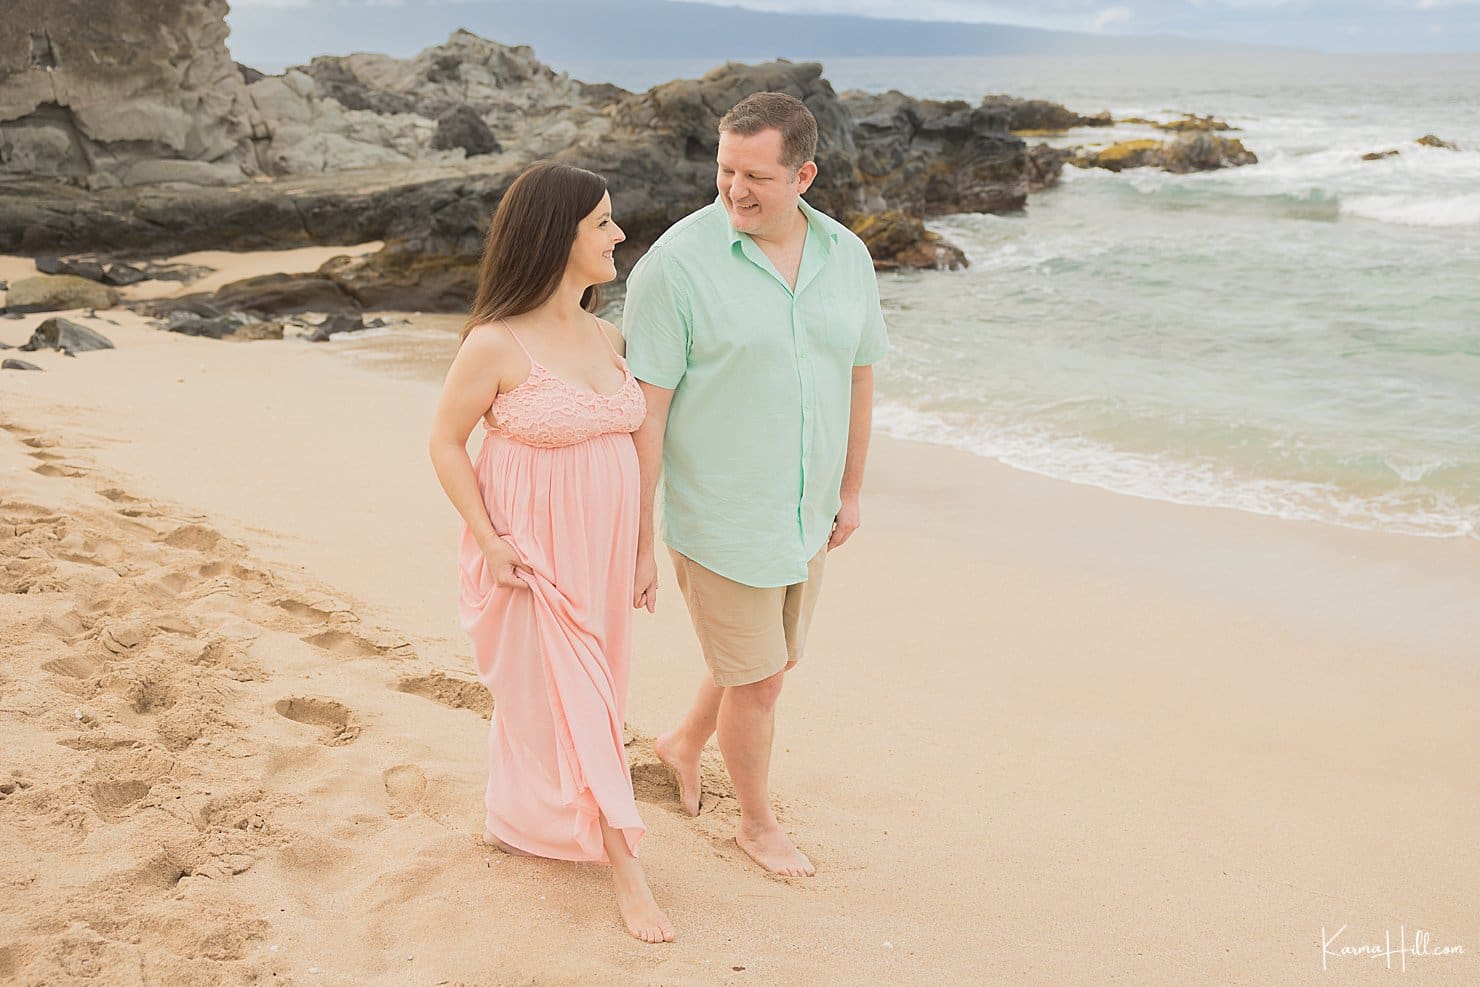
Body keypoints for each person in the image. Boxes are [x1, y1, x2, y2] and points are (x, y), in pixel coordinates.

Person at [623, 93, 889, 878]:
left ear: (803, 173)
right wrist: (637, 536)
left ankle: (679, 741)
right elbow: (648, 412)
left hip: (806, 510)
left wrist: (851, 489)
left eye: (757, 176)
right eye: (725, 170)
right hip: (719, 515)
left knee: (768, 661)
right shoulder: (674, 265)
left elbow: (860, 372)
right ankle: (756, 823)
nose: (735, 190)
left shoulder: (848, 256)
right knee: (762, 681)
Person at [428, 161, 674, 943]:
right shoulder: (495, 343)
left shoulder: (608, 334)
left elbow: (639, 447)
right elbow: (443, 441)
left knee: (571, 699)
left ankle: (518, 819)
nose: (619, 234)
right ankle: (624, 867)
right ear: (555, 234)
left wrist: (642, 548)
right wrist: (493, 541)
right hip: (531, 549)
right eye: (601, 222)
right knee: (575, 704)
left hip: (603, 551)